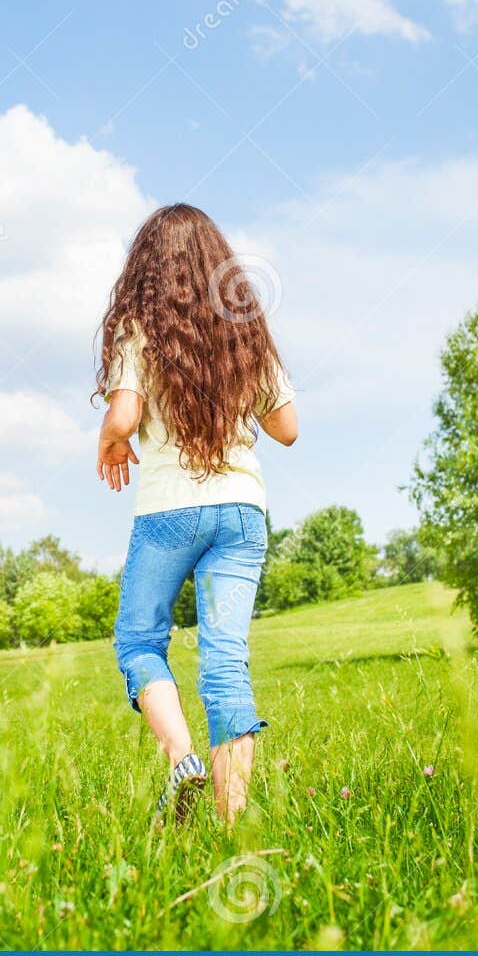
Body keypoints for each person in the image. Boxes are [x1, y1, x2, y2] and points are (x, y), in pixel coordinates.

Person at [95, 204, 297, 825]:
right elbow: (286, 429)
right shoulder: (245, 328)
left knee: (139, 639)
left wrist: (109, 440)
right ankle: (232, 823)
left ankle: (181, 756)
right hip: (241, 509)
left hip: (169, 512)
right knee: (225, 658)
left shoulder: (138, 325)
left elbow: (125, 415)